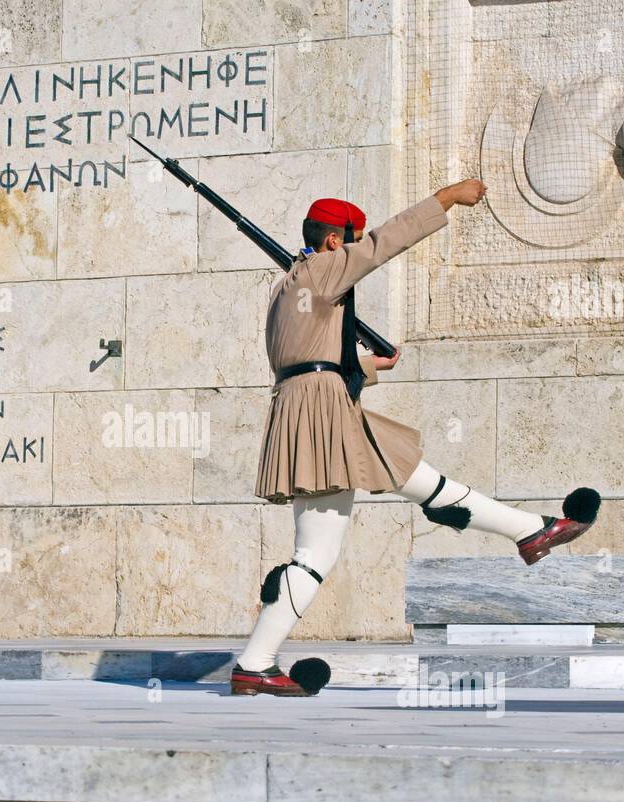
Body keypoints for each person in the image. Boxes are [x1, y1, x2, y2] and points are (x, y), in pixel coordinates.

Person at [232, 184, 600, 697]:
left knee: (398, 484)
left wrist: (365, 365)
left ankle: (531, 531)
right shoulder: (323, 268)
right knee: (325, 547)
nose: (357, 249)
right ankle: (254, 663)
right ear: (336, 241)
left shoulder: (287, 286)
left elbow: (299, 358)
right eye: (351, 241)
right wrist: (446, 198)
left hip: (312, 407)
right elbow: (387, 241)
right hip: (323, 413)